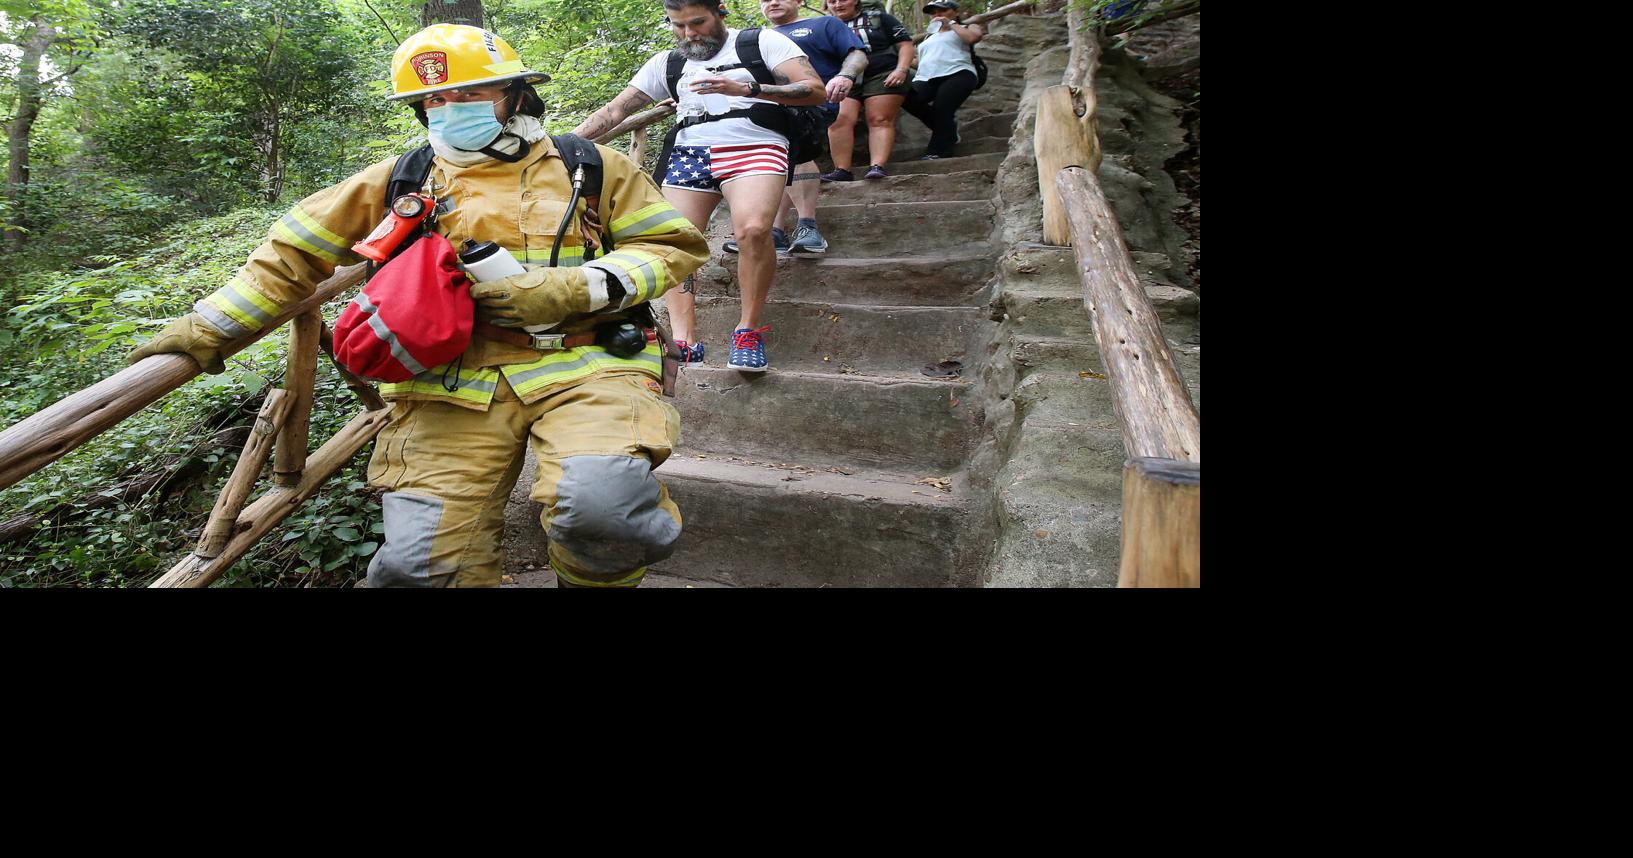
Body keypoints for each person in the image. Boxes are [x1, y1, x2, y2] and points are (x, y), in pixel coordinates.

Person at [127, 24, 709, 588]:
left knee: (604, 511)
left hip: (590, 364)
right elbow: (292, 252)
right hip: (446, 381)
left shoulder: (592, 167)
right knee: (419, 567)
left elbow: (671, 247)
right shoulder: (401, 179)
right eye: (434, 98)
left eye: (470, 92)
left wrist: (579, 287)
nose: (450, 105)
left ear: (514, 94)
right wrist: (207, 329)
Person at [574, 1, 824, 372]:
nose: (689, 33)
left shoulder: (762, 43)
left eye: (697, 23)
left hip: (756, 144)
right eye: (679, 26)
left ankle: (747, 330)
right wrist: (558, 144)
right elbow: (615, 112)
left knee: (754, 230)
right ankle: (683, 339)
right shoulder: (666, 62)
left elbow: (814, 89)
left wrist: (747, 88)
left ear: (720, 13)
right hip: (691, 149)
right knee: (675, 238)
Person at [721, 0, 868, 255]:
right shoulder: (757, 37)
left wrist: (845, 75)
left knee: (794, 145)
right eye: (765, 0)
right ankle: (774, 231)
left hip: (811, 101)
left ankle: (807, 225)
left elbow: (857, 53)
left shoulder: (825, 23)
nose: (773, 2)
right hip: (766, 106)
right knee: (772, 159)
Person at [820, 0, 915, 182]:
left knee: (879, 118)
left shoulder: (880, 19)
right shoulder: (825, 26)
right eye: (832, 1)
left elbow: (905, 45)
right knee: (839, 119)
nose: (838, 4)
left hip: (883, 73)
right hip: (844, 76)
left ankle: (877, 166)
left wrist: (901, 69)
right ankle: (841, 170)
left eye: (843, 0)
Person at [904, 0, 985, 160]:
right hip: (927, 77)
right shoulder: (928, 36)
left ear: (955, 11)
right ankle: (949, 132)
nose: (937, 14)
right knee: (905, 97)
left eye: (942, 10)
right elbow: (922, 63)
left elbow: (973, 38)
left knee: (943, 108)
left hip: (958, 73)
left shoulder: (967, 26)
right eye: (933, 12)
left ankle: (937, 151)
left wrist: (951, 23)